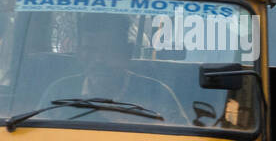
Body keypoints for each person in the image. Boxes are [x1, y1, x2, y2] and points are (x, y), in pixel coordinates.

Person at [42, 13, 187, 123]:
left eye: (109, 50)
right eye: (90, 50)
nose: (99, 60)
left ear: (127, 53)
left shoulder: (157, 94)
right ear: (79, 54)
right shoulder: (59, 92)